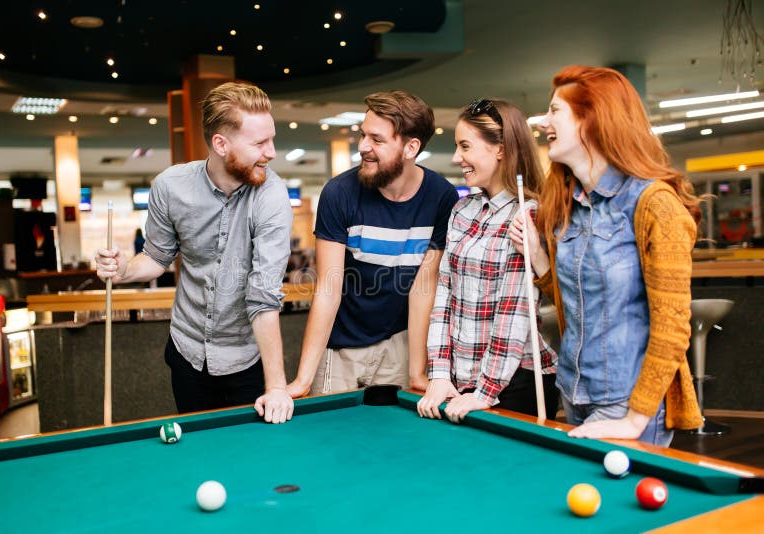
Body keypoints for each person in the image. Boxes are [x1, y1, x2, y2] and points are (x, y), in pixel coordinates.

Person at [508, 66, 703, 445]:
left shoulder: (654, 204)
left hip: (629, 404)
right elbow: (579, 305)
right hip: (573, 392)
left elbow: (673, 327)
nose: (543, 120)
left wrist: (634, 421)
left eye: (555, 111)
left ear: (592, 118)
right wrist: (539, 258)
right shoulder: (570, 204)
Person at [95, 82, 294, 424]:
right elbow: (157, 257)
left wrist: (277, 386)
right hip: (186, 352)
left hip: (245, 359)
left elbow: (263, 297)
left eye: (271, 139)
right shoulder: (170, 187)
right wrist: (124, 269)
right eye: (260, 143)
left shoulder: (272, 196)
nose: (272, 152)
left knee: (249, 458)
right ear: (221, 144)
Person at [286, 90, 459, 397]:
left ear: (410, 147)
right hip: (340, 347)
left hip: (399, 343)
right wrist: (302, 379)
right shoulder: (339, 193)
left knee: (394, 440)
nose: (363, 147)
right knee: (330, 436)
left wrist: (418, 371)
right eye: (363, 136)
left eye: (376, 140)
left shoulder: (441, 196)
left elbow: (424, 288)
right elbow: (328, 288)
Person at [417, 99, 558, 423]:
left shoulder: (528, 214)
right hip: (461, 381)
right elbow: (444, 297)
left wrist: (485, 391)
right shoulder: (461, 211)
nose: (456, 158)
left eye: (465, 146)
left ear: (501, 149)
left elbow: (514, 311)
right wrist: (439, 374)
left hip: (514, 382)